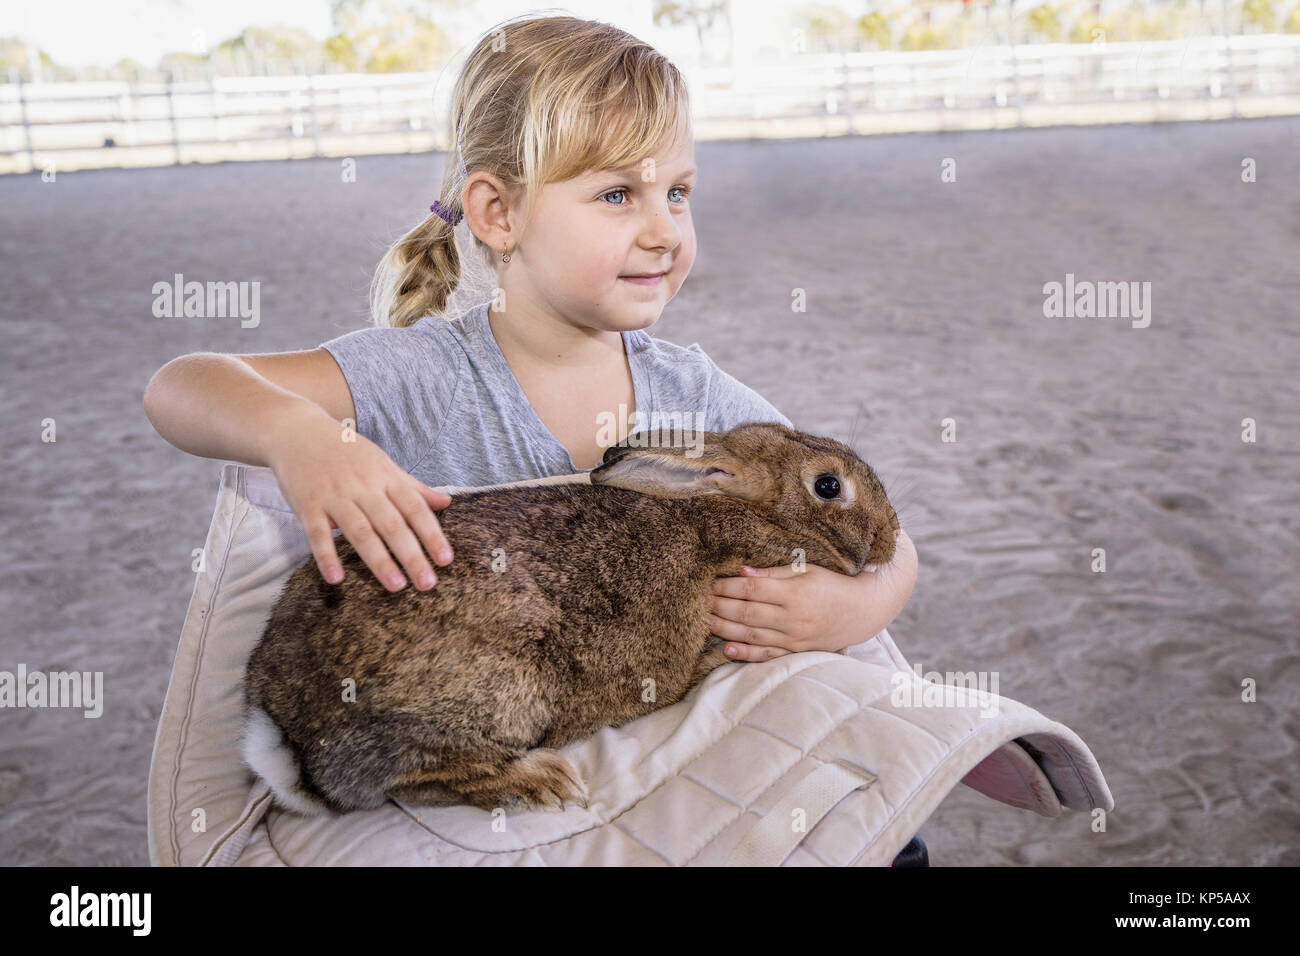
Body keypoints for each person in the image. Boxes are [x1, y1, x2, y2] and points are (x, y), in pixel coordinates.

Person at [143, 12, 922, 864]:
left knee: (876, 832)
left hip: (624, 733)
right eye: (619, 195)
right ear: (498, 212)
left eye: (679, 193)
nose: (663, 228)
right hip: (462, 720)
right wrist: (300, 435)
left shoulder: (691, 392)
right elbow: (181, 385)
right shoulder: (427, 375)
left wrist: (853, 605)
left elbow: (889, 546)